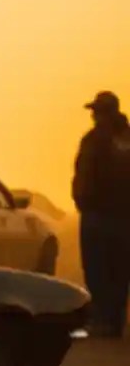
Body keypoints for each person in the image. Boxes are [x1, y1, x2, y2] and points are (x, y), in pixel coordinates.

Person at [72, 90, 130, 339]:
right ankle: (113, 320)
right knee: (119, 270)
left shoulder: (94, 139)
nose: (94, 116)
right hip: (122, 215)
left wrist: (82, 201)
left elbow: (83, 174)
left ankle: (104, 320)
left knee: (98, 269)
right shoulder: (126, 139)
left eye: (97, 111)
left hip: (99, 215)